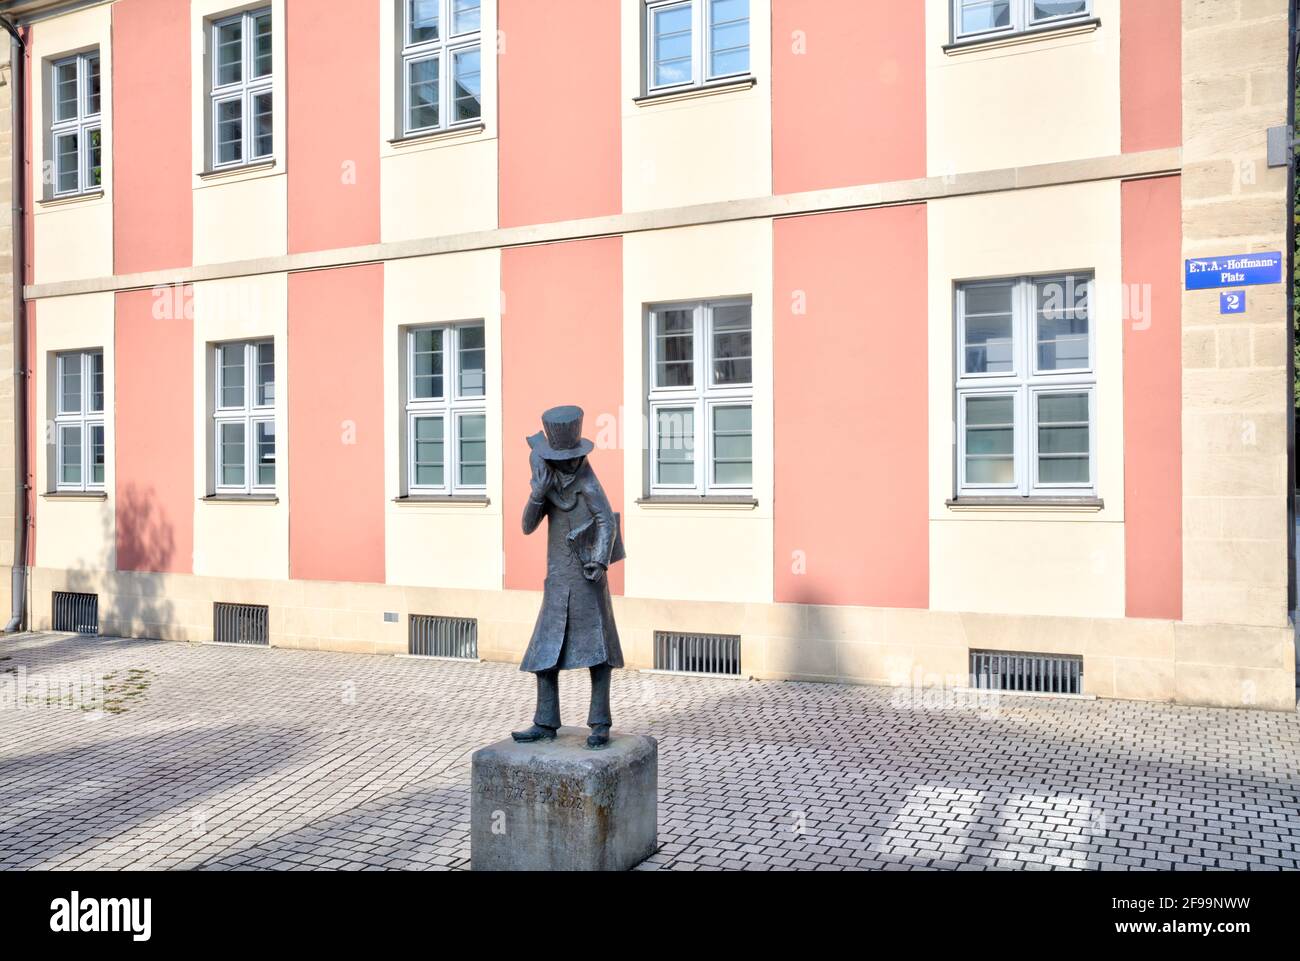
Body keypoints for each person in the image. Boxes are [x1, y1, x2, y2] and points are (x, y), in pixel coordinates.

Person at [512, 406, 625, 749]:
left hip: (588, 576)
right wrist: (537, 493)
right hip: (558, 580)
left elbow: (606, 520)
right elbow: (527, 526)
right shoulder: (545, 480)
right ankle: (545, 721)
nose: (563, 465)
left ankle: (600, 723)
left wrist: (600, 561)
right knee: (543, 654)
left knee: (598, 653)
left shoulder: (588, 481)